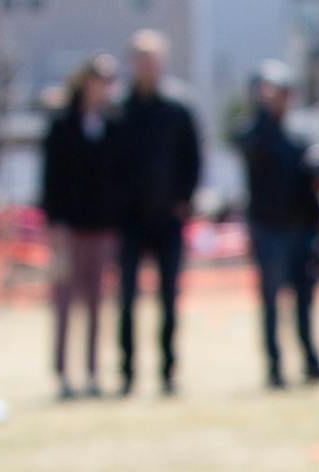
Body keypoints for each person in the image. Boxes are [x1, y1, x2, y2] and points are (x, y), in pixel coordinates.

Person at [110, 30, 201, 398]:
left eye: (152, 59)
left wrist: (184, 199)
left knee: (168, 298)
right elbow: (109, 165)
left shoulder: (178, 109)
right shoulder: (119, 110)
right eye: (140, 59)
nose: (145, 67)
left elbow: (193, 159)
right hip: (130, 220)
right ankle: (127, 372)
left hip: (167, 218)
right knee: (126, 299)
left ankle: (167, 371)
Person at [236, 61, 319, 391]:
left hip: (300, 227)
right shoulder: (254, 133)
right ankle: (275, 368)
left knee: (304, 300)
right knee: (272, 300)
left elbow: (318, 174)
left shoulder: (300, 136)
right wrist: (263, 111)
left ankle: (311, 362)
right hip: (268, 229)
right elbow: (251, 149)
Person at [41, 54, 119, 401]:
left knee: (96, 303)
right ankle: (61, 373)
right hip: (69, 227)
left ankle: (92, 371)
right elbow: (51, 180)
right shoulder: (62, 125)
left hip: (101, 225)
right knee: (64, 302)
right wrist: (54, 225)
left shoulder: (113, 124)